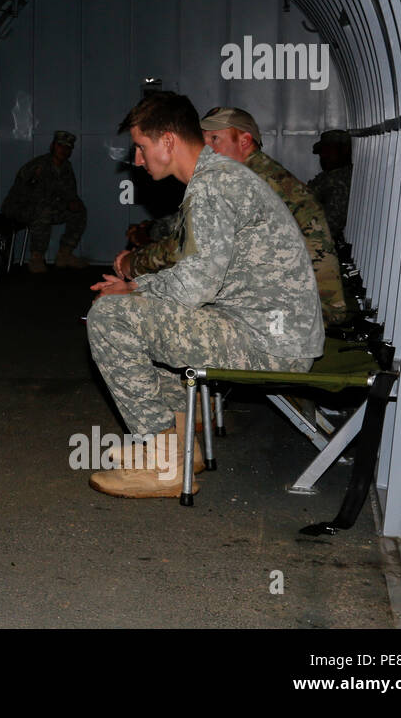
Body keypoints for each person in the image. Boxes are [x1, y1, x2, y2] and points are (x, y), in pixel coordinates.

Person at [86, 92, 323, 498]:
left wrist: (131, 291)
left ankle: (165, 465)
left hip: (271, 342)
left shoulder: (213, 186)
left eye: (141, 148)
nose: (137, 161)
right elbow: (195, 270)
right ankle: (178, 449)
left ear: (168, 141)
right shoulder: (217, 178)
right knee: (147, 314)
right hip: (269, 331)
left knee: (112, 318)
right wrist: (137, 288)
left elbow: (194, 286)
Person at [113, 107, 349, 326]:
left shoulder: (244, 182)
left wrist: (133, 264)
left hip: (299, 311)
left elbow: (184, 246)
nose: (206, 148)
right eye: (202, 140)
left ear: (245, 141)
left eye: (215, 139)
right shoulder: (257, 174)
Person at [1, 130, 87, 272]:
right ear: (53, 146)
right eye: (60, 145)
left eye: (67, 147)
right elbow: (34, 198)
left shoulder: (66, 168)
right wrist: (65, 204)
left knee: (79, 210)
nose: (63, 150)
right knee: (43, 210)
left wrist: (73, 203)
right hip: (19, 207)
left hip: (44, 207)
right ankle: (37, 257)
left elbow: (70, 194)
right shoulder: (38, 166)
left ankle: (64, 255)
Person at [309, 129, 353, 244]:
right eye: (322, 152)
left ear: (344, 150)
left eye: (328, 150)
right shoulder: (329, 176)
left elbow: (330, 225)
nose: (323, 155)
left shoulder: (340, 182)